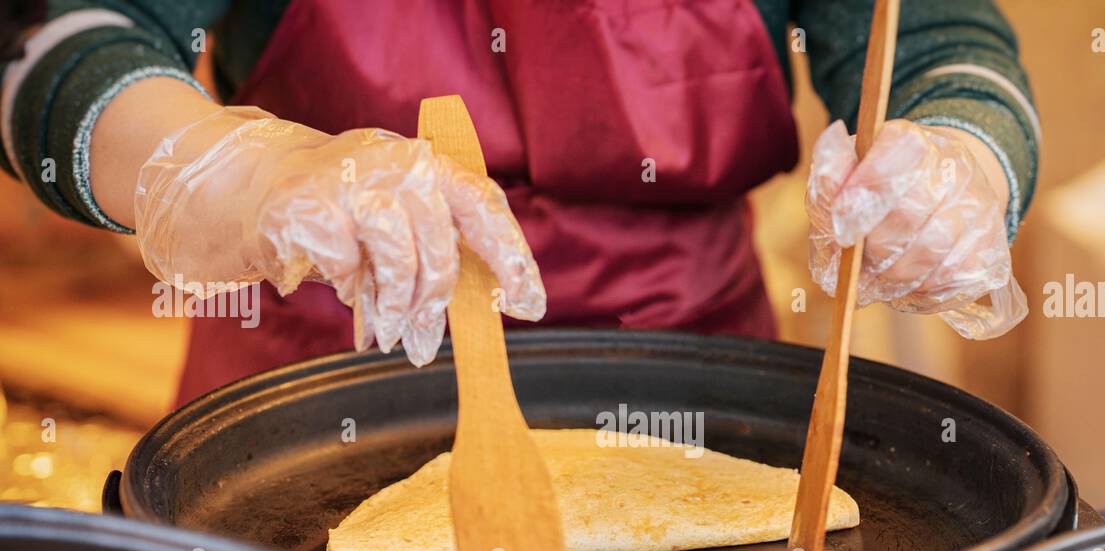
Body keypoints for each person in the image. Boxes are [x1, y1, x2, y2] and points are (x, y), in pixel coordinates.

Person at [2, 1, 1040, 405]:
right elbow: (64, 41)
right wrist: (237, 169)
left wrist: (959, 166)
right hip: (314, 392)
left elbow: (945, 46)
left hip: (692, 392)